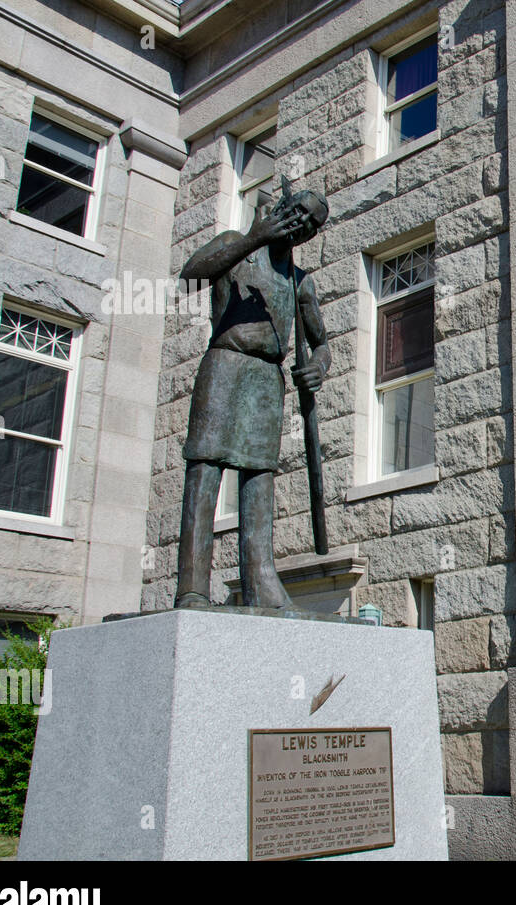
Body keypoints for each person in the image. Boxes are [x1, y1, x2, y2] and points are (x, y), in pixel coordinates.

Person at [173, 181, 330, 609]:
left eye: (310, 225)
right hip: (225, 364)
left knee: (259, 476)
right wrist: (252, 240)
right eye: (297, 213)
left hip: (267, 379)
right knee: (205, 468)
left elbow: (321, 344)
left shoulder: (299, 282)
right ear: (281, 206)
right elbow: (189, 278)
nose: (300, 226)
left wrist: (318, 367)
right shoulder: (234, 246)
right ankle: (192, 586)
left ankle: (261, 580)